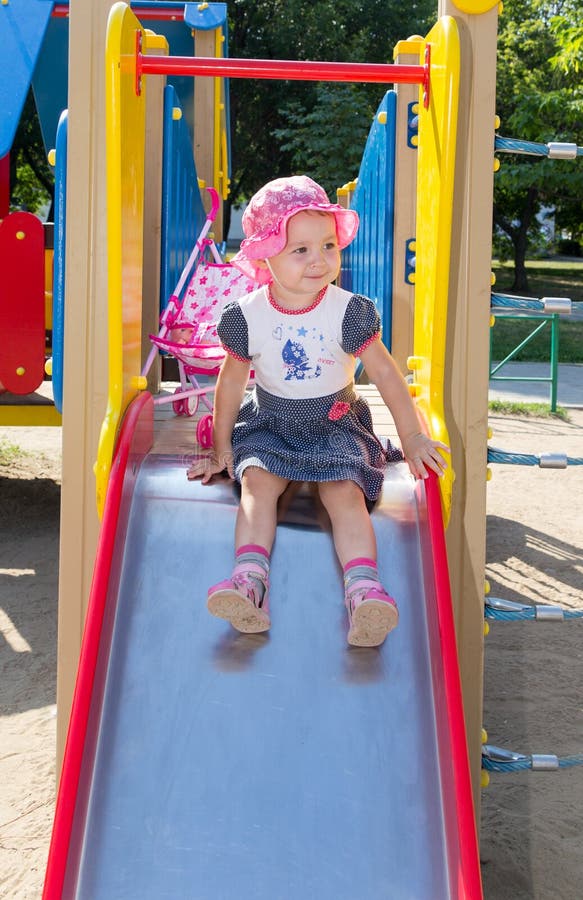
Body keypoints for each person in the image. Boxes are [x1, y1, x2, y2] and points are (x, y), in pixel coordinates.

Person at [187, 175, 449, 647]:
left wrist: (412, 438)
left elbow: (386, 374)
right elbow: (231, 383)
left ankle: (364, 592)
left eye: (328, 245)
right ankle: (249, 583)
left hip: (335, 427)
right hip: (270, 426)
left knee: (344, 493)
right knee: (257, 485)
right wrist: (221, 447)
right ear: (265, 256)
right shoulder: (248, 315)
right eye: (301, 250)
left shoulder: (347, 312)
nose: (319, 260)